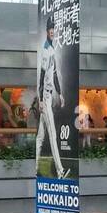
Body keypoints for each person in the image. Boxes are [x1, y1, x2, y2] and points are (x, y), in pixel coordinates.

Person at [34, 21, 71, 179]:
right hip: (45, 98)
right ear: (47, 30)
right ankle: (60, 171)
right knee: (52, 135)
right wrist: (41, 100)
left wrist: (60, 93)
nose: (52, 31)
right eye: (50, 28)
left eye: (53, 29)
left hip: (49, 95)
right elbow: (42, 77)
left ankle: (35, 168)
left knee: (40, 137)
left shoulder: (52, 48)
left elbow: (54, 74)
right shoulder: (45, 50)